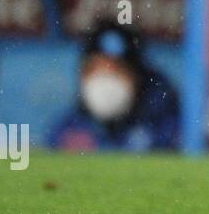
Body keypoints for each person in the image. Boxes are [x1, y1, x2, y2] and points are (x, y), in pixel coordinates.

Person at [51, 21, 180, 152]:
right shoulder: (69, 131)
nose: (105, 80)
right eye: (96, 69)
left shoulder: (166, 127)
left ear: (137, 76)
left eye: (117, 69)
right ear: (83, 75)